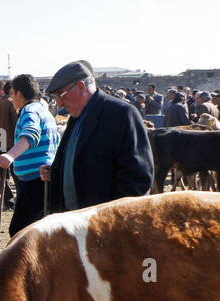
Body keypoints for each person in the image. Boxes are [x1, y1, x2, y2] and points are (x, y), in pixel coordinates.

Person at [43, 60, 153, 212]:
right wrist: (57, 171)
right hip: (73, 223)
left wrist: (111, 221)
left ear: (81, 86)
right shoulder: (76, 118)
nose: (59, 103)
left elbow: (138, 179)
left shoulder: (121, 114)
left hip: (103, 226)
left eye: (61, 95)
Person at [0, 74, 59, 235]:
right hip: (42, 178)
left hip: (34, 180)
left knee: (19, 230)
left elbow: (31, 133)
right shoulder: (45, 112)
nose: (11, 98)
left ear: (19, 94)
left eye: (12, 94)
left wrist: (10, 155)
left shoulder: (29, 111)